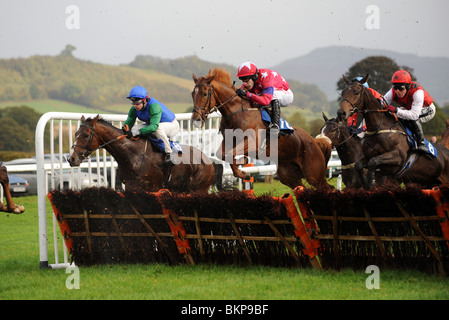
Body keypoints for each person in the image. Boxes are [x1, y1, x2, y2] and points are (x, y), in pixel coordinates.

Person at [122, 86, 180, 163]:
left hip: (172, 126)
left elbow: (154, 127)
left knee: (157, 129)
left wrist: (138, 132)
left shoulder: (154, 106)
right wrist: (125, 129)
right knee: (134, 129)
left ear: (145, 100)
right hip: (155, 125)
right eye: (133, 103)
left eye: (137, 103)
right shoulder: (134, 109)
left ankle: (169, 153)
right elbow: (129, 122)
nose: (135, 106)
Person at [383, 70, 436, 153]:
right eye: (395, 87)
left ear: (407, 86)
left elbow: (414, 115)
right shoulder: (392, 91)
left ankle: (421, 144)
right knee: (397, 118)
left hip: (428, 109)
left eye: (401, 88)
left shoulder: (417, 91)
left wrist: (396, 110)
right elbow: (382, 103)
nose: (397, 91)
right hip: (411, 109)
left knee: (412, 119)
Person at [235, 62, 293, 135]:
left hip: (286, 95)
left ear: (254, 77)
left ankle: (276, 125)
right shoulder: (251, 80)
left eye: (246, 81)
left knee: (271, 96)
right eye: (243, 81)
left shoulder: (267, 78)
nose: (245, 84)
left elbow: (266, 101)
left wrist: (248, 94)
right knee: (253, 97)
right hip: (269, 94)